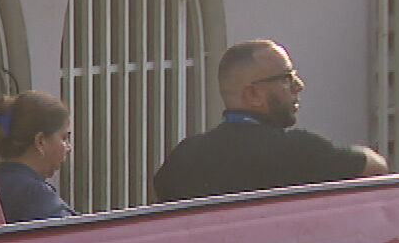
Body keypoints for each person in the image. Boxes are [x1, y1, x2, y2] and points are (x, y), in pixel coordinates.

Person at [152, 40, 387, 202]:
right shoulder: (300, 151)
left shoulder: (182, 159)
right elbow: (376, 169)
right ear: (252, 94)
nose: (298, 86)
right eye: (286, 79)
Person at [0, 91, 77, 223]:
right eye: (63, 138)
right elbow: (73, 237)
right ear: (40, 141)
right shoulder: (37, 196)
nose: (68, 148)